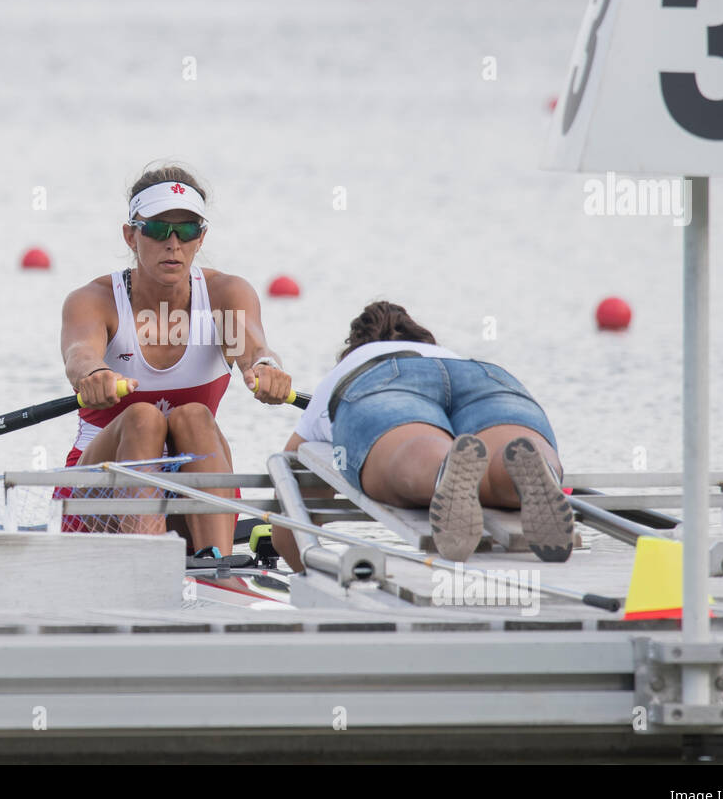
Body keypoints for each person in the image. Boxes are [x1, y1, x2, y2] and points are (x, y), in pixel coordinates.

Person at [59, 164, 293, 556]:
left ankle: (219, 570)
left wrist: (266, 368)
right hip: (98, 496)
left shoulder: (224, 295)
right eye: (156, 229)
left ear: (201, 238)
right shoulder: (94, 300)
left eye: (186, 230)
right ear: (130, 235)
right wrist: (95, 373)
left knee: (194, 416)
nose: (173, 244)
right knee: (142, 417)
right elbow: (79, 354)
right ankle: (148, 562)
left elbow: (254, 348)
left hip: (192, 495)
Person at [271, 301, 572, 568]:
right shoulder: (444, 353)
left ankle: (441, 471)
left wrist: (310, 571)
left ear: (353, 350)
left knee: (414, 449)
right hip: (485, 377)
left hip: (378, 380)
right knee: (505, 457)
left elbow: (292, 509)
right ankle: (536, 467)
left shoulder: (346, 370)